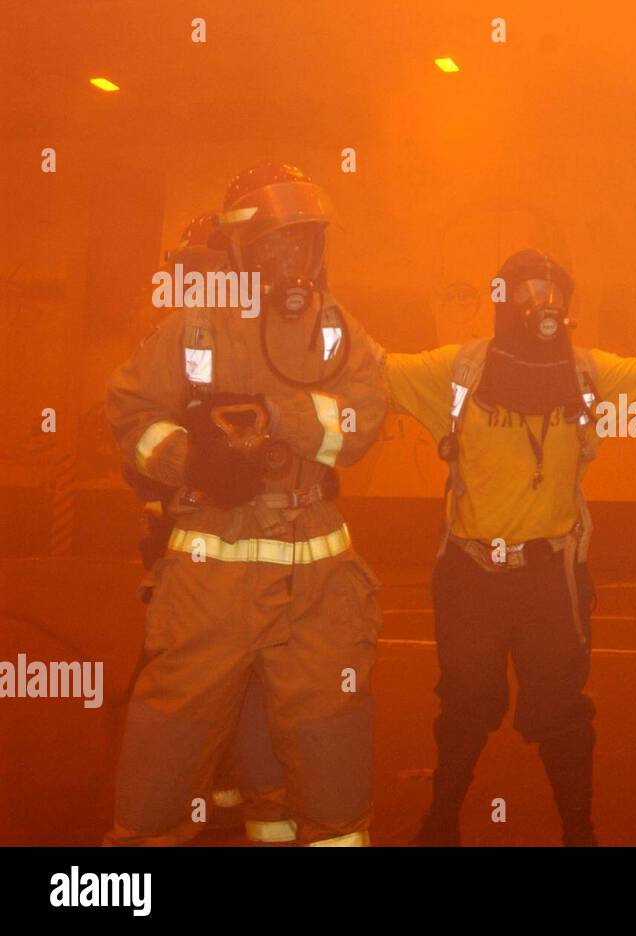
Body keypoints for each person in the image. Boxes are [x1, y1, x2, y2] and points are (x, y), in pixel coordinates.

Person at [385, 248, 636, 845]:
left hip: (552, 575)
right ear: (500, 302)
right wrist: (306, 315)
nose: (541, 305)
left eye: (552, 293)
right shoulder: (457, 372)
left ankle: (580, 833)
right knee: (466, 704)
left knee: (562, 713)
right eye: (525, 292)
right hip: (470, 574)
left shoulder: (584, 373)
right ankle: (440, 823)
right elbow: (370, 369)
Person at [104, 161, 387, 846]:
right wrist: (190, 459)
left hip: (315, 578)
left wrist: (278, 415)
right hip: (209, 567)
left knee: (329, 731)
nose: (292, 258)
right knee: (170, 733)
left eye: (304, 241)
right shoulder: (193, 328)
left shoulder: (337, 330)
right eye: (275, 243)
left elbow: (362, 422)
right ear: (241, 249)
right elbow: (129, 412)